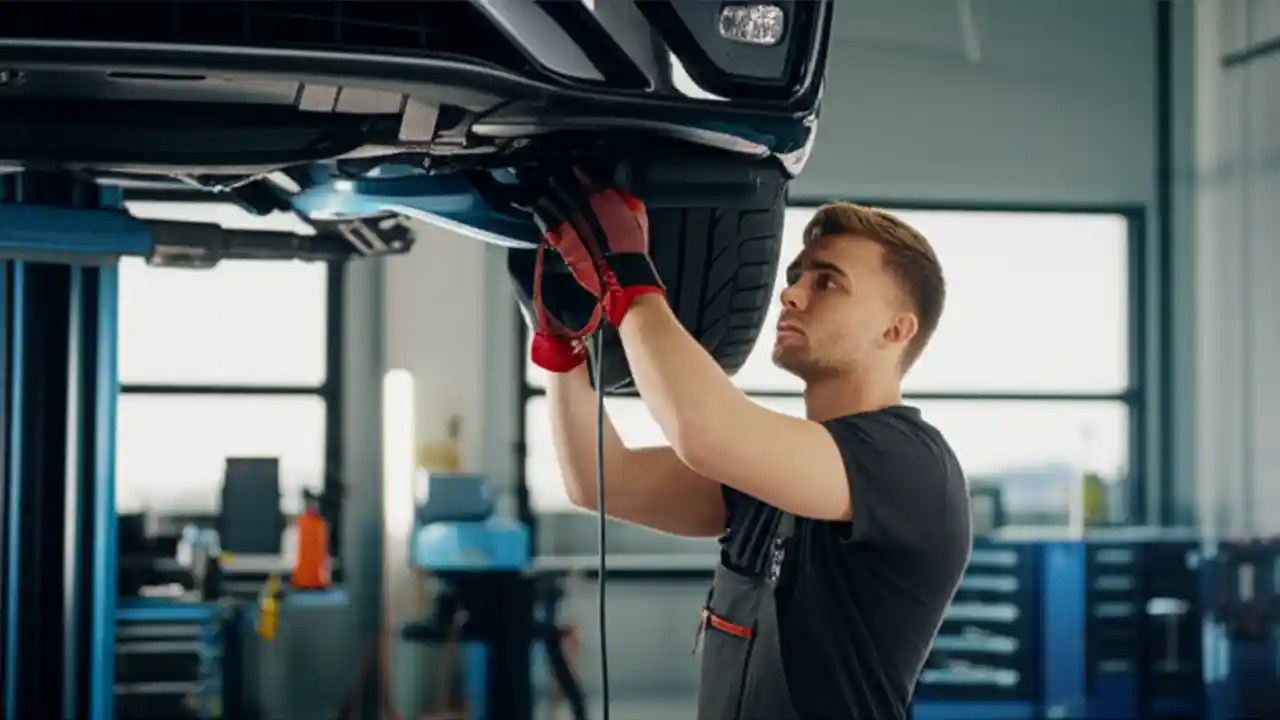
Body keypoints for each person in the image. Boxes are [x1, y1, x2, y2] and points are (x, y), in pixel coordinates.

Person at [521, 176, 972, 720]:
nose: (791, 293)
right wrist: (560, 345)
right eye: (796, 276)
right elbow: (600, 480)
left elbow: (705, 432)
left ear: (895, 330)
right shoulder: (776, 477)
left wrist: (629, 277)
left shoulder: (909, 462)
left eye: (827, 283)